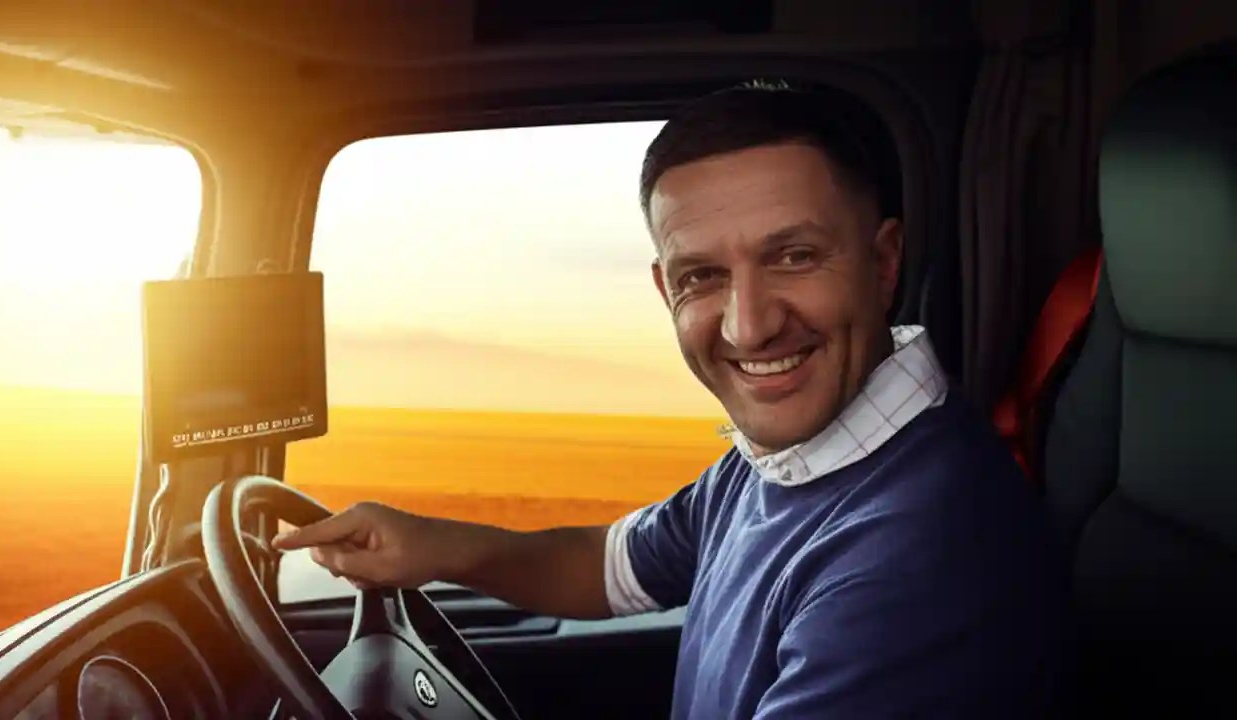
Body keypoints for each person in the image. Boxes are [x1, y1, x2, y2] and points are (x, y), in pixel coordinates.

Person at [273, 83, 1065, 718]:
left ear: (883, 262)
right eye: (702, 276)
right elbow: (608, 568)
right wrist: (433, 546)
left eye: (793, 256)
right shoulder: (791, 457)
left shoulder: (921, 557)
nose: (749, 325)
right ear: (665, 289)